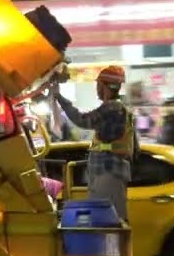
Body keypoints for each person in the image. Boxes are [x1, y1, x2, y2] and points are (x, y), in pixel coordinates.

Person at [50, 65, 138, 223]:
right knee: (108, 219)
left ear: (105, 86)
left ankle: (111, 248)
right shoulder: (124, 111)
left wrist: (60, 98)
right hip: (111, 171)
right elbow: (134, 148)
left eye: (98, 85)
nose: (96, 89)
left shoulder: (112, 108)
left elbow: (83, 120)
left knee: (108, 221)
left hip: (108, 171)